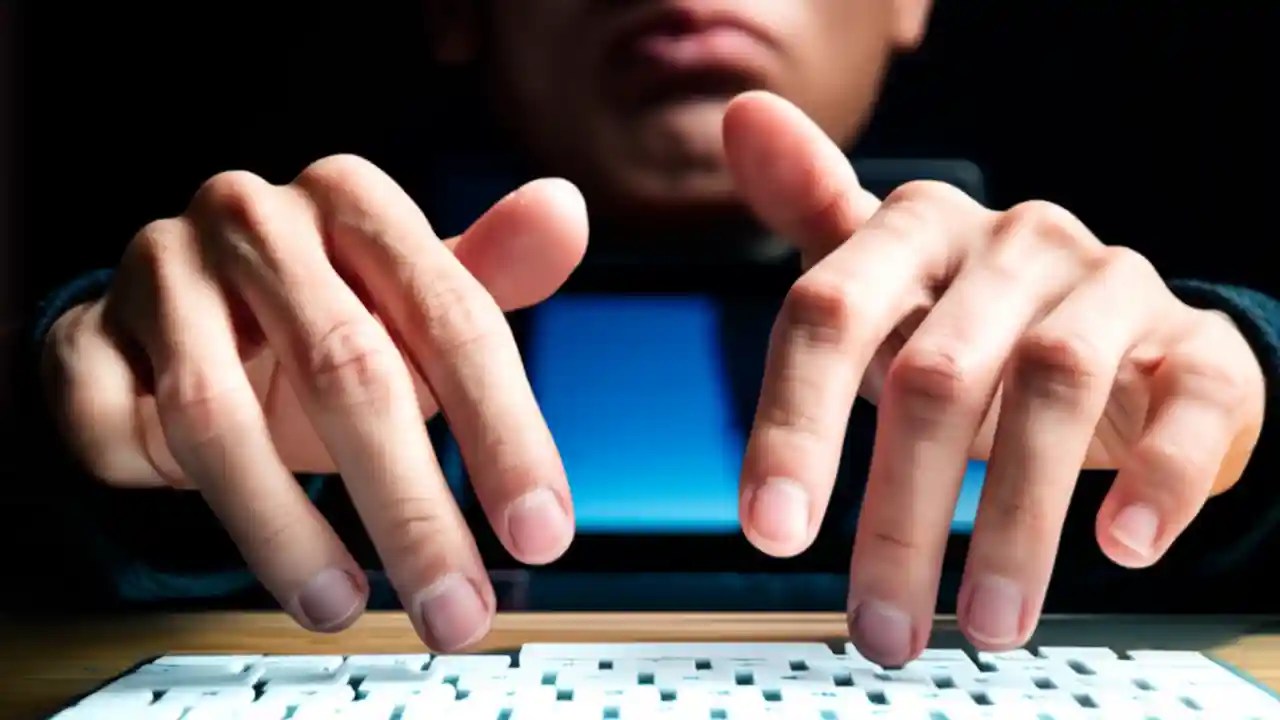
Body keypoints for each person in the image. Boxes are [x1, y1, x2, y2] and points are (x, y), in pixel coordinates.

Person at [22, 1, 1280, 668]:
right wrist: (79, 420)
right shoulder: (257, 342)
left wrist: (1245, 397)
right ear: (455, 7)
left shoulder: (1109, 352)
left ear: (911, 1)